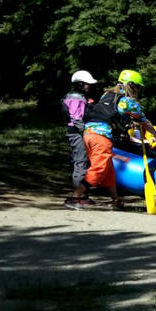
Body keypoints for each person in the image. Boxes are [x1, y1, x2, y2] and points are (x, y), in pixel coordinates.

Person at [83, 70, 149, 209]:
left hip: (88, 134)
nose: (137, 90)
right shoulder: (126, 100)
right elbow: (143, 120)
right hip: (102, 136)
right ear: (131, 85)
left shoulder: (107, 94)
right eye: (137, 86)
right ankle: (76, 196)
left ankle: (116, 200)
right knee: (99, 168)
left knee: (108, 170)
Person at [62, 70, 97, 208]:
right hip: (77, 133)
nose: (90, 86)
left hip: (78, 132)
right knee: (80, 163)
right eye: (87, 84)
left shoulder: (79, 96)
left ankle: (83, 195)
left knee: (82, 163)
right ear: (80, 84)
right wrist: (87, 132)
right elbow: (76, 118)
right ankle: (77, 198)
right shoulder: (76, 97)